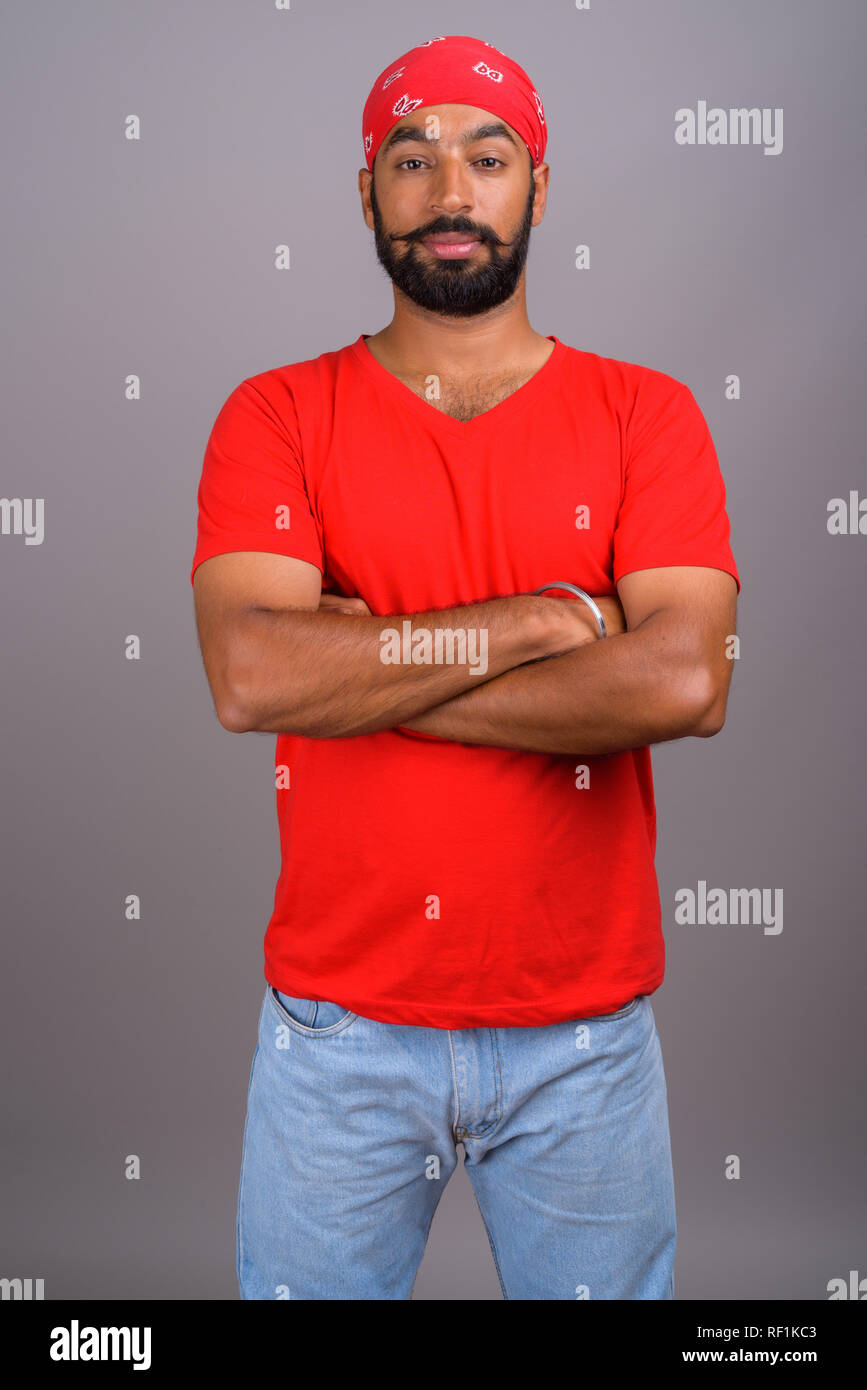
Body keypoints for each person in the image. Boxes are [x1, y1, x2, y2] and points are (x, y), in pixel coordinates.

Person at [190, 34, 740, 1300]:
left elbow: (682, 686)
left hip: (584, 1039)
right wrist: (545, 619)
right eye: (413, 158)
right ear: (366, 192)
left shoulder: (644, 414)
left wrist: (368, 668)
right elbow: (251, 676)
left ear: (540, 185)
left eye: (488, 158)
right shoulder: (277, 414)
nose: (452, 191)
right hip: (338, 1036)